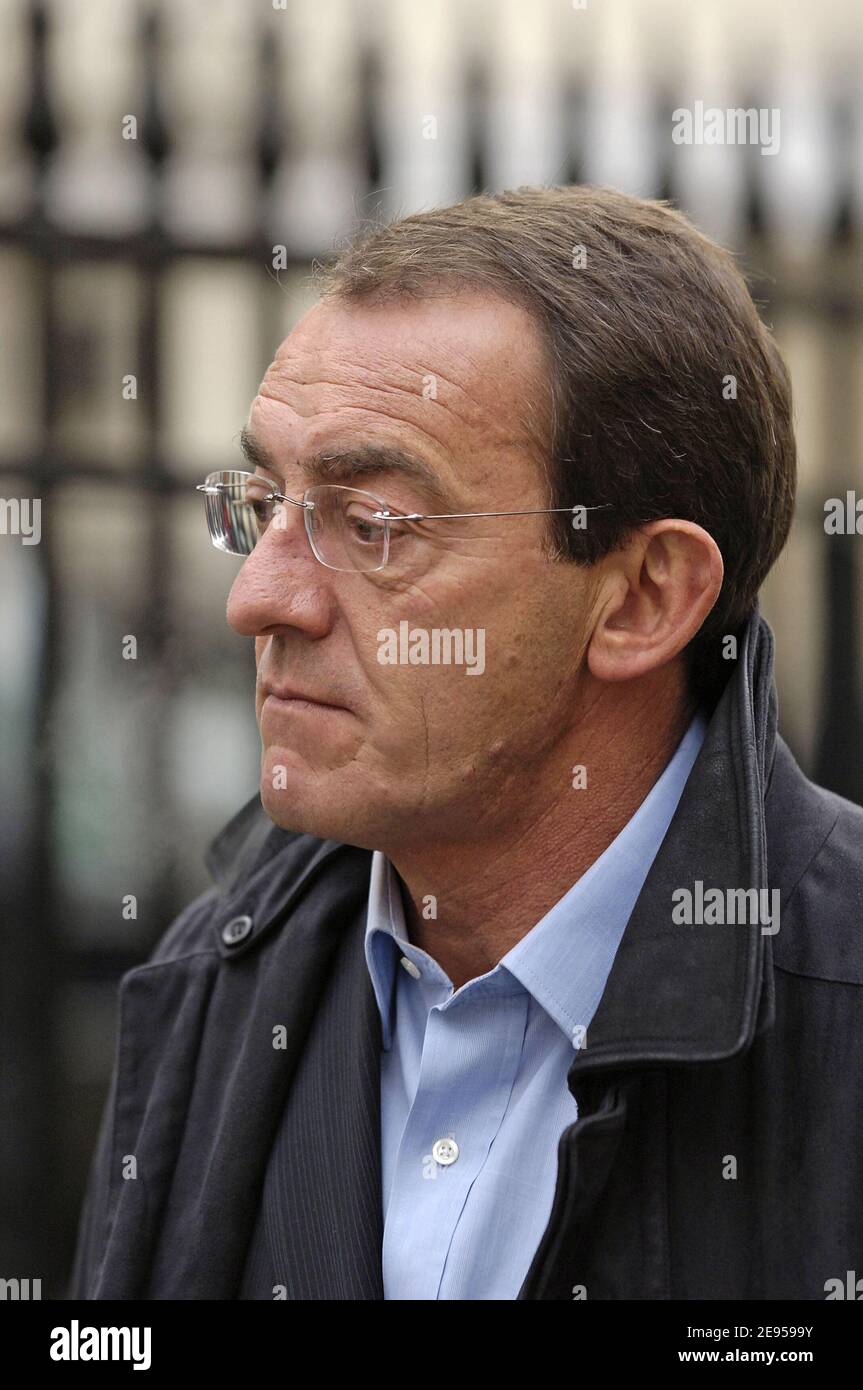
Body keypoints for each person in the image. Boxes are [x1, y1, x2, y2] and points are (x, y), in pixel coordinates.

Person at [70, 185, 863, 1300]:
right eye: (261, 501)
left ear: (641, 598)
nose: (258, 598)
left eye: (375, 525)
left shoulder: (832, 1002)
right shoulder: (215, 984)